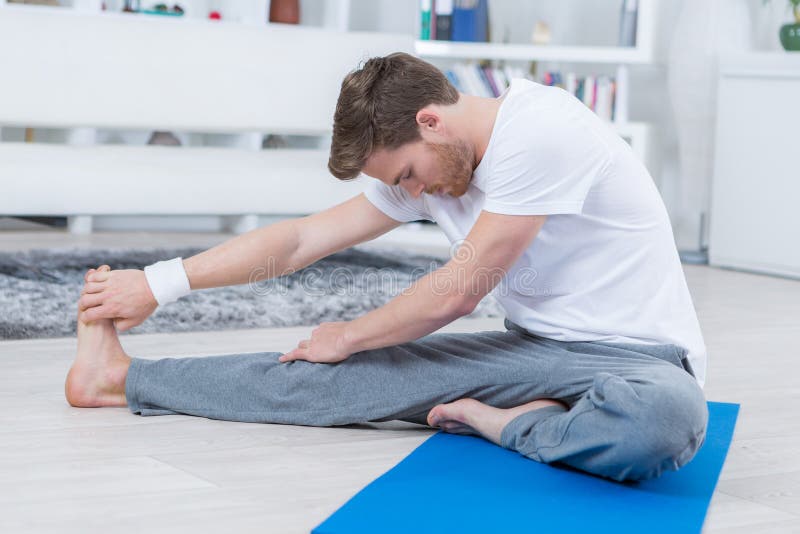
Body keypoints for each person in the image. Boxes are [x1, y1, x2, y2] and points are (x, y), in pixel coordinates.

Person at [65, 52, 708, 482]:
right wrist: (158, 282)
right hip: (533, 349)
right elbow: (298, 241)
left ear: (431, 121)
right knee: (341, 379)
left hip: (641, 362)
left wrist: (345, 333)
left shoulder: (540, 130)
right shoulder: (429, 161)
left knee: (667, 422)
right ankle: (118, 379)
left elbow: (457, 291)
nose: (414, 195)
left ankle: (508, 423)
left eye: (408, 175)